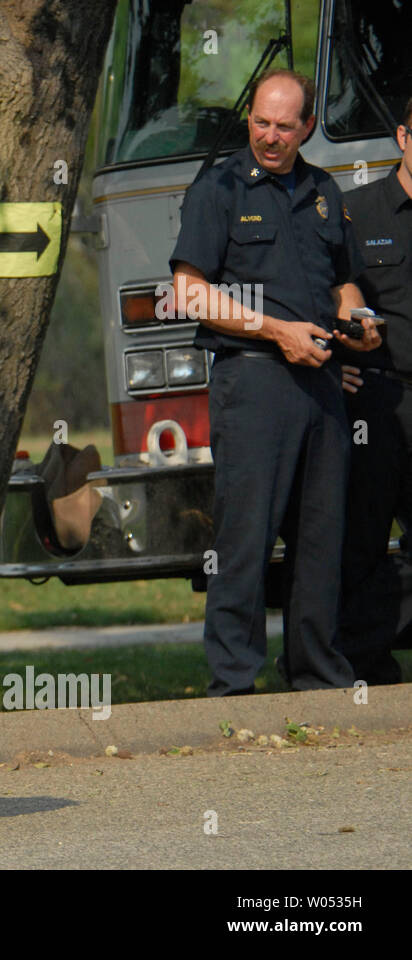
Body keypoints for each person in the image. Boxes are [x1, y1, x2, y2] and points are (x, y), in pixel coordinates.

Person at [169, 69, 382, 697]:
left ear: (306, 128)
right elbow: (188, 292)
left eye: (284, 126)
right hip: (253, 383)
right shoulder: (219, 187)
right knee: (246, 538)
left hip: (322, 386)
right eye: (261, 122)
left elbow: (345, 281)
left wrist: (357, 320)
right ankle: (233, 684)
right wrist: (276, 331)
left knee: (322, 540)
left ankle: (317, 676)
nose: (270, 136)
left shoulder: (323, 190)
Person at [336, 97, 412, 685]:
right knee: (363, 538)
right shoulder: (356, 212)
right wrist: (334, 360)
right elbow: (324, 294)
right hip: (382, 399)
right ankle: (366, 668)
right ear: (403, 137)